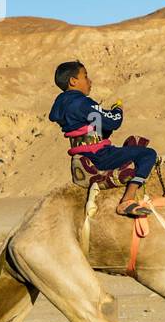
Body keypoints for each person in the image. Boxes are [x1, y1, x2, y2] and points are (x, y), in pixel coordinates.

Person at [49, 61, 157, 218]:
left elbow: (100, 127)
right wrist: (117, 110)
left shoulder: (62, 106)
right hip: (99, 154)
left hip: (86, 153)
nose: (89, 81)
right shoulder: (81, 103)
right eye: (85, 76)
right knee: (147, 154)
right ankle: (127, 199)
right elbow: (114, 121)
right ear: (73, 81)